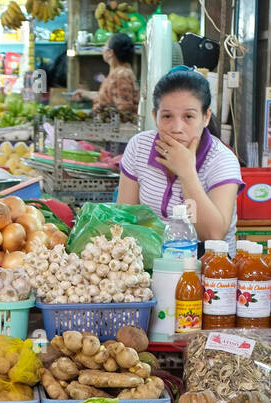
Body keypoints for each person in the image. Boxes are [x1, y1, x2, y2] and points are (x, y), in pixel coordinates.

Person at [118, 67, 243, 251]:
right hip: (149, 264)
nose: (177, 127)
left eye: (189, 116)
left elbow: (213, 236)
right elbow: (125, 220)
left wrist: (186, 173)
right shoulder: (139, 147)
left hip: (208, 270)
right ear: (155, 116)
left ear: (206, 117)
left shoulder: (222, 159)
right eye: (167, 116)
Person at [71, 32, 140, 121]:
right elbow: (109, 99)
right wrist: (86, 94)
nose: (102, 49)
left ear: (110, 52)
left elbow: (124, 109)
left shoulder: (122, 75)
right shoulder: (117, 72)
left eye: (104, 46)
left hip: (116, 131)